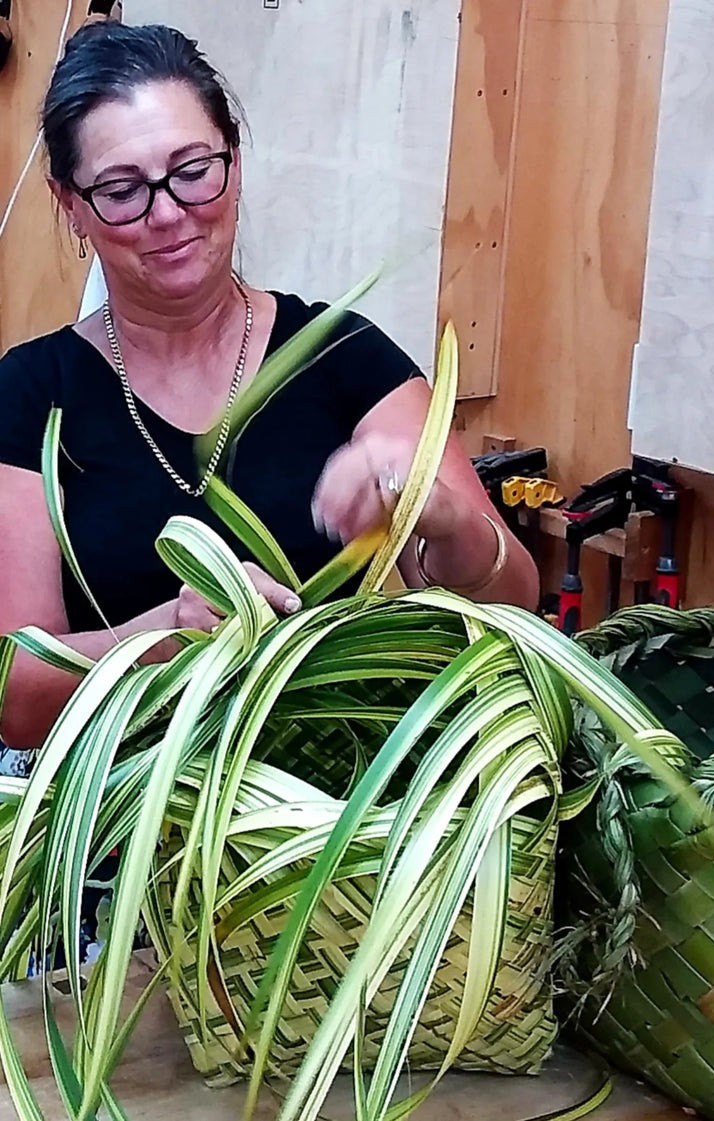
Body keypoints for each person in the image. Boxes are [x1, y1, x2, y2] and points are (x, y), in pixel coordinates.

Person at [0, 21, 539, 752]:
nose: (167, 212)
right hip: (123, 821)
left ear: (235, 162)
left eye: (193, 169)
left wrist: (437, 513)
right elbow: (15, 695)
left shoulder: (345, 359)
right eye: (122, 190)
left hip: (339, 810)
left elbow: (512, 606)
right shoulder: (31, 393)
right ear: (72, 206)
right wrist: (165, 635)